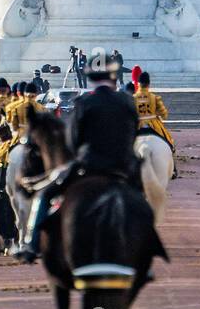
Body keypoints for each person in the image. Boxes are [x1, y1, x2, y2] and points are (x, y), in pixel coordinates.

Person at [15, 52, 139, 262]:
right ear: (114, 77)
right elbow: (133, 132)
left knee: (44, 196)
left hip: (88, 165)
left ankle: (31, 244)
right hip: (123, 166)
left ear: (91, 77)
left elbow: (73, 141)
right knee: (142, 200)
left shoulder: (84, 103)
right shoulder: (126, 102)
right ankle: (145, 249)